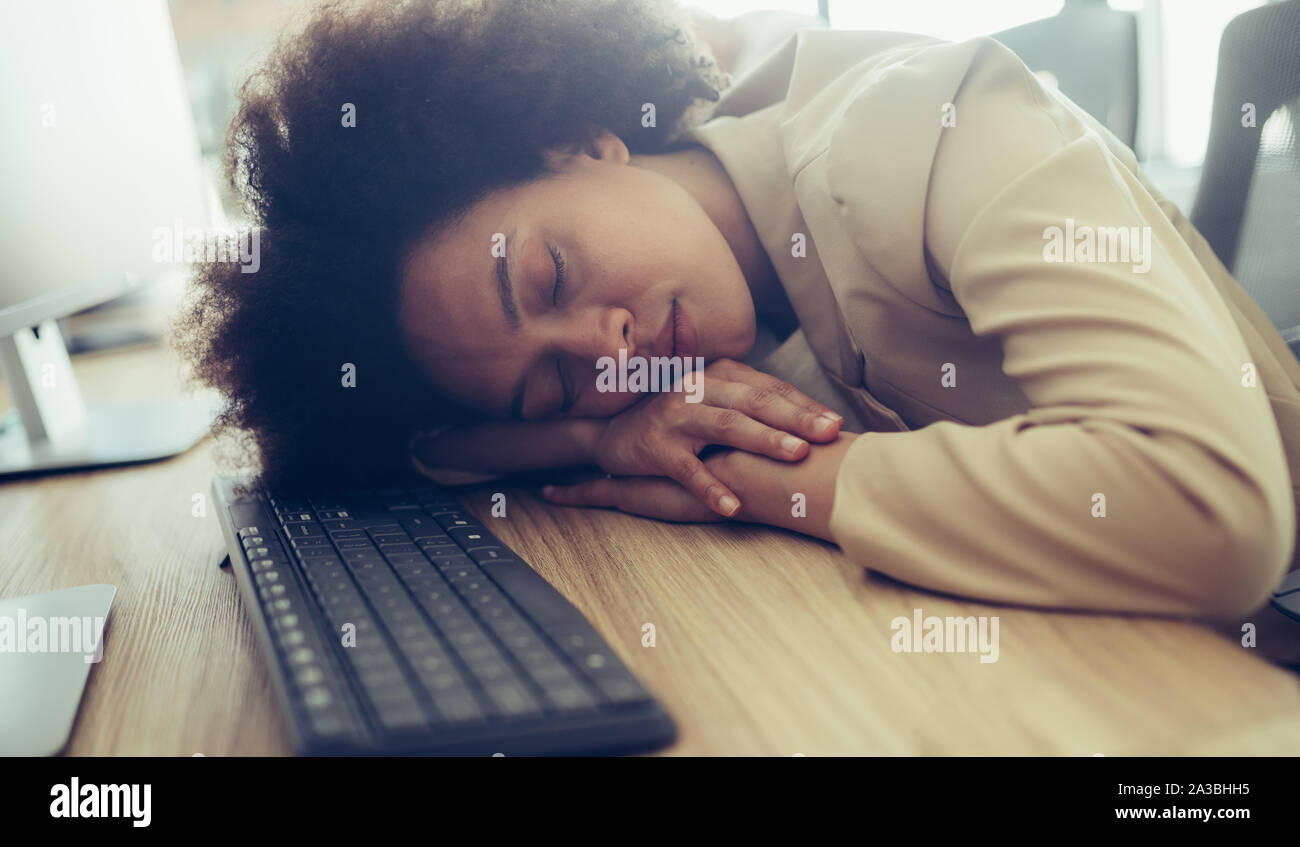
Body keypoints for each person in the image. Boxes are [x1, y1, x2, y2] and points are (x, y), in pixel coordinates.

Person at [178, 0, 1300, 631]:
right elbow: (419, 445)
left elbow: (1213, 513)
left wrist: (772, 485)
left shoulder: (933, 125)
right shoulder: (700, 301)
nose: (605, 354)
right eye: (555, 381)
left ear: (577, 138)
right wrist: (590, 436)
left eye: (549, 279)